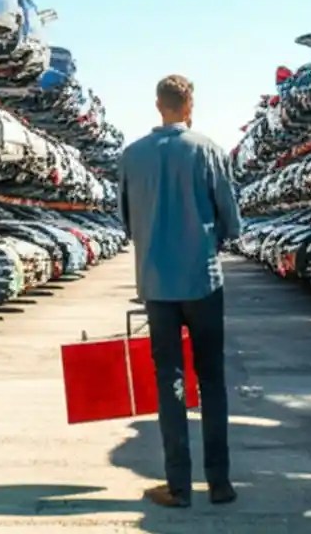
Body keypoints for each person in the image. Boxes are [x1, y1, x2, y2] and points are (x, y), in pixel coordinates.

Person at [118, 74, 243, 508]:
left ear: (158, 106)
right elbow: (230, 215)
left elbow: (127, 221)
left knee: (169, 379)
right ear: (189, 106)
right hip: (203, 281)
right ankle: (221, 483)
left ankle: (178, 486)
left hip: (157, 283)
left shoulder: (131, 156)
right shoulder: (207, 149)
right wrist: (213, 240)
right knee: (212, 380)